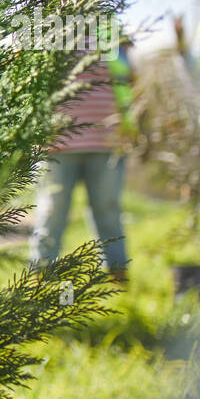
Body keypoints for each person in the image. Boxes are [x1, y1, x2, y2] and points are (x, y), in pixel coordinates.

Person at [28, 29, 135, 283]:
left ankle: (117, 273)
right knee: (52, 212)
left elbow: (128, 76)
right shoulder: (50, 29)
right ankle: (39, 275)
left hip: (107, 139)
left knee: (108, 210)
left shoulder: (109, 30)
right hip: (58, 143)